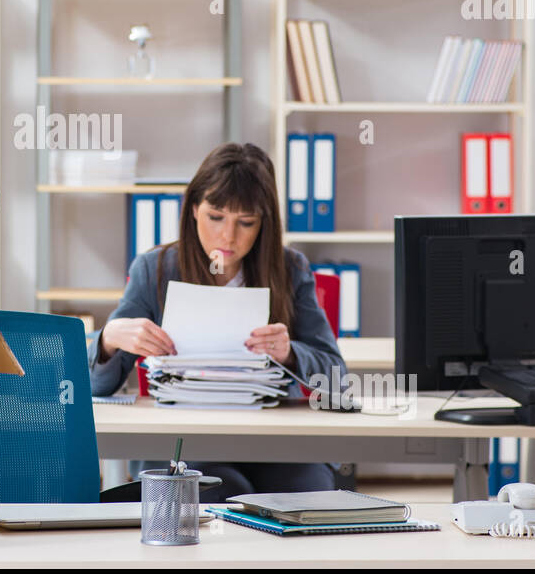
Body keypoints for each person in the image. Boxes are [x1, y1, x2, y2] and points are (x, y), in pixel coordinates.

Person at [89, 142, 346, 498]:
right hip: (187, 441)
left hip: (273, 442)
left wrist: (291, 354)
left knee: (308, 494)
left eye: (246, 222)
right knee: (218, 492)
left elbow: (336, 378)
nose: (228, 236)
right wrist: (108, 340)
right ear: (193, 209)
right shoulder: (155, 270)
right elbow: (93, 386)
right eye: (215, 217)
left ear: (264, 224)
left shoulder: (290, 269)